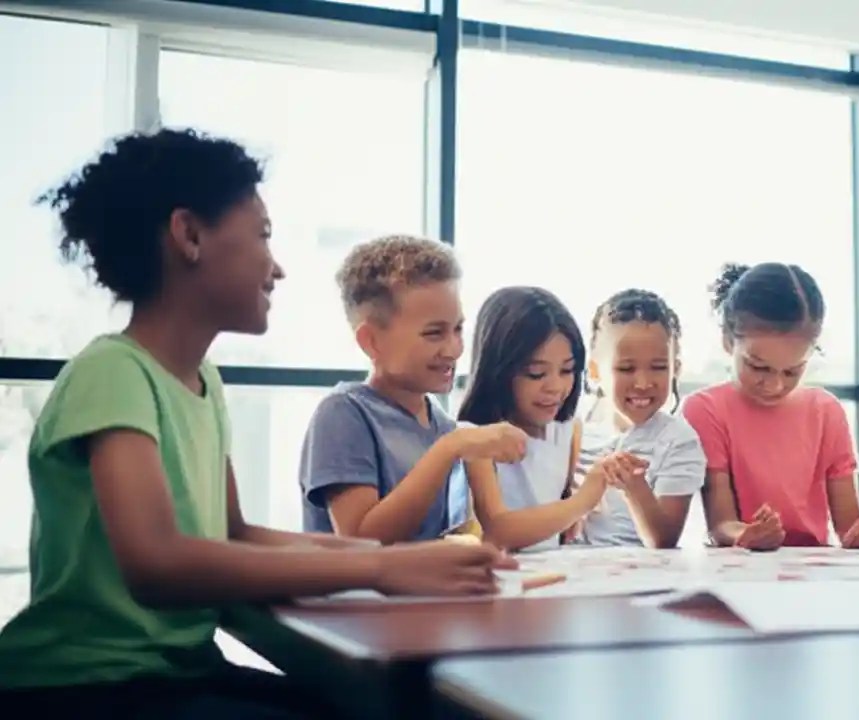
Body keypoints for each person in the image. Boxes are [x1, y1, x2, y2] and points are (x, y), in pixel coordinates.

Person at [0, 130, 514, 718]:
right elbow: (155, 565)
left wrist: (390, 558)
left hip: (174, 672)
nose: (278, 269)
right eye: (263, 235)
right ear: (189, 236)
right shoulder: (113, 371)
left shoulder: (202, 380)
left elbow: (233, 532)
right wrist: (382, 564)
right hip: (86, 688)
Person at [298, 235, 527, 544]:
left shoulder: (440, 423)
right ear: (371, 341)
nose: (454, 349)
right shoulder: (344, 413)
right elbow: (361, 541)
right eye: (434, 333)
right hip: (353, 593)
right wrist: (449, 448)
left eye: (458, 329)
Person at [684, 263, 859, 550]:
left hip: (812, 573)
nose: (775, 385)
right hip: (740, 570)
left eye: (793, 371)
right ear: (728, 341)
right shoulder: (705, 409)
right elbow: (721, 524)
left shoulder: (826, 411)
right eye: (758, 367)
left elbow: (849, 528)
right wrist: (746, 534)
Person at [457, 286, 619, 552]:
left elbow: (560, 521)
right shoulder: (473, 437)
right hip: (496, 581)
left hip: (552, 578)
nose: (555, 387)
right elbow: (500, 531)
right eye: (536, 373)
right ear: (498, 370)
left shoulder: (568, 430)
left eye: (567, 370)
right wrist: (581, 502)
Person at [573, 289, 705, 548]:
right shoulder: (576, 430)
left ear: (675, 369)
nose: (643, 383)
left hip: (642, 572)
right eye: (626, 368)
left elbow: (663, 540)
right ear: (595, 371)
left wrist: (635, 487)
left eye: (658, 367)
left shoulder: (679, 441)